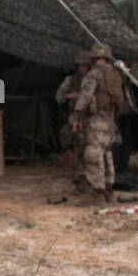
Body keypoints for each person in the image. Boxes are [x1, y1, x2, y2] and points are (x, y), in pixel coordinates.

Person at [71, 41, 123, 202]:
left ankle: (97, 192)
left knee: (93, 154)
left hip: (96, 120)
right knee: (107, 154)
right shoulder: (115, 74)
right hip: (110, 120)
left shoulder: (93, 74)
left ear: (93, 57)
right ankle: (109, 189)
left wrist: (77, 117)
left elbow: (85, 97)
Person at [55, 51, 91, 181]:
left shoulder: (94, 80)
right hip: (76, 118)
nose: (81, 68)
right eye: (79, 65)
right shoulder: (71, 80)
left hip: (91, 117)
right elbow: (59, 97)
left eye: (84, 65)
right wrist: (68, 96)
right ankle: (80, 176)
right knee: (78, 147)